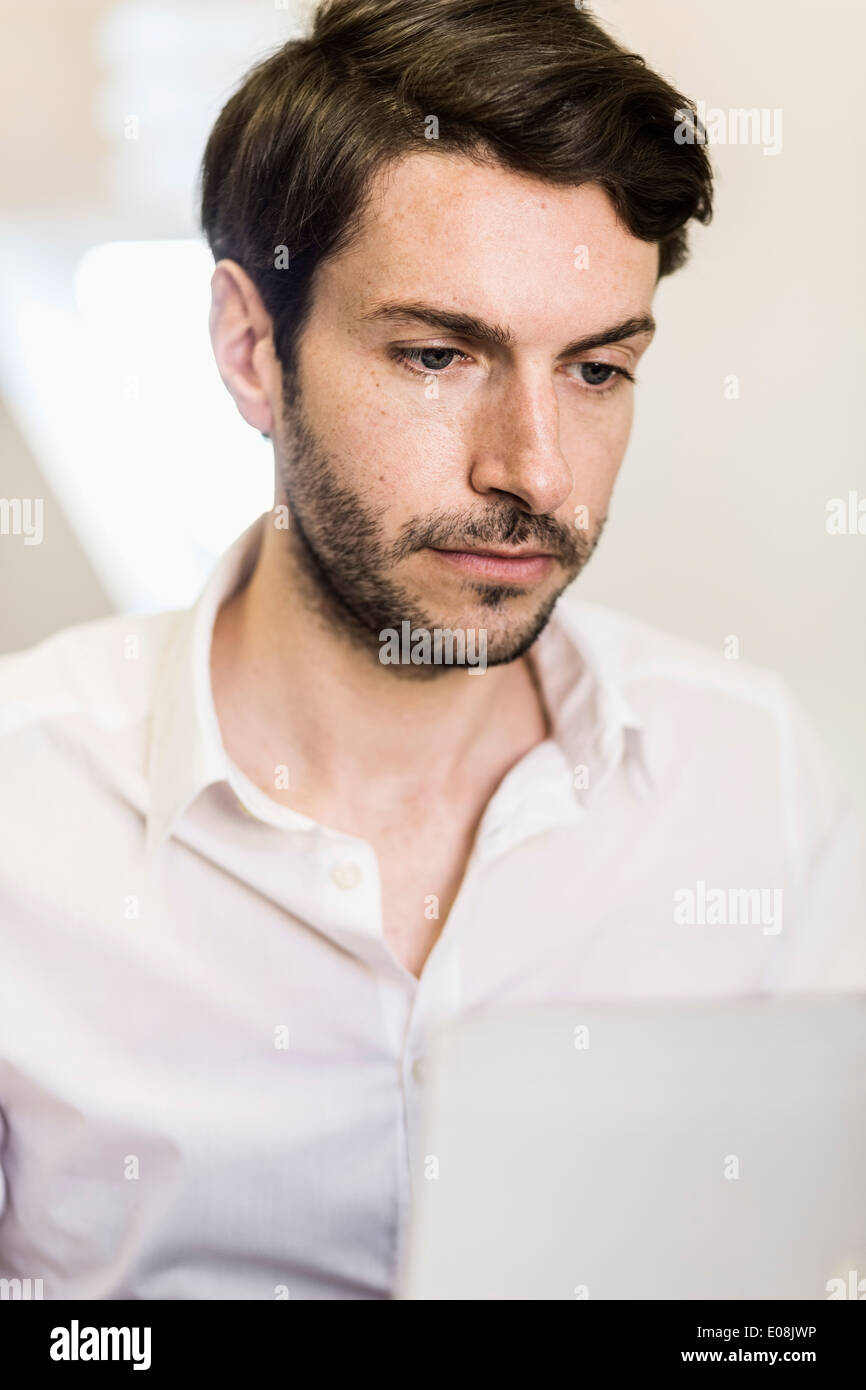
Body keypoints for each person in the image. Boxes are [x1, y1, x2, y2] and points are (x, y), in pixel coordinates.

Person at [0, 0, 862, 1301]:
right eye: (436, 353)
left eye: (593, 371)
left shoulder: (749, 780)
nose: (531, 471)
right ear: (250, 349)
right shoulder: (25, 809)